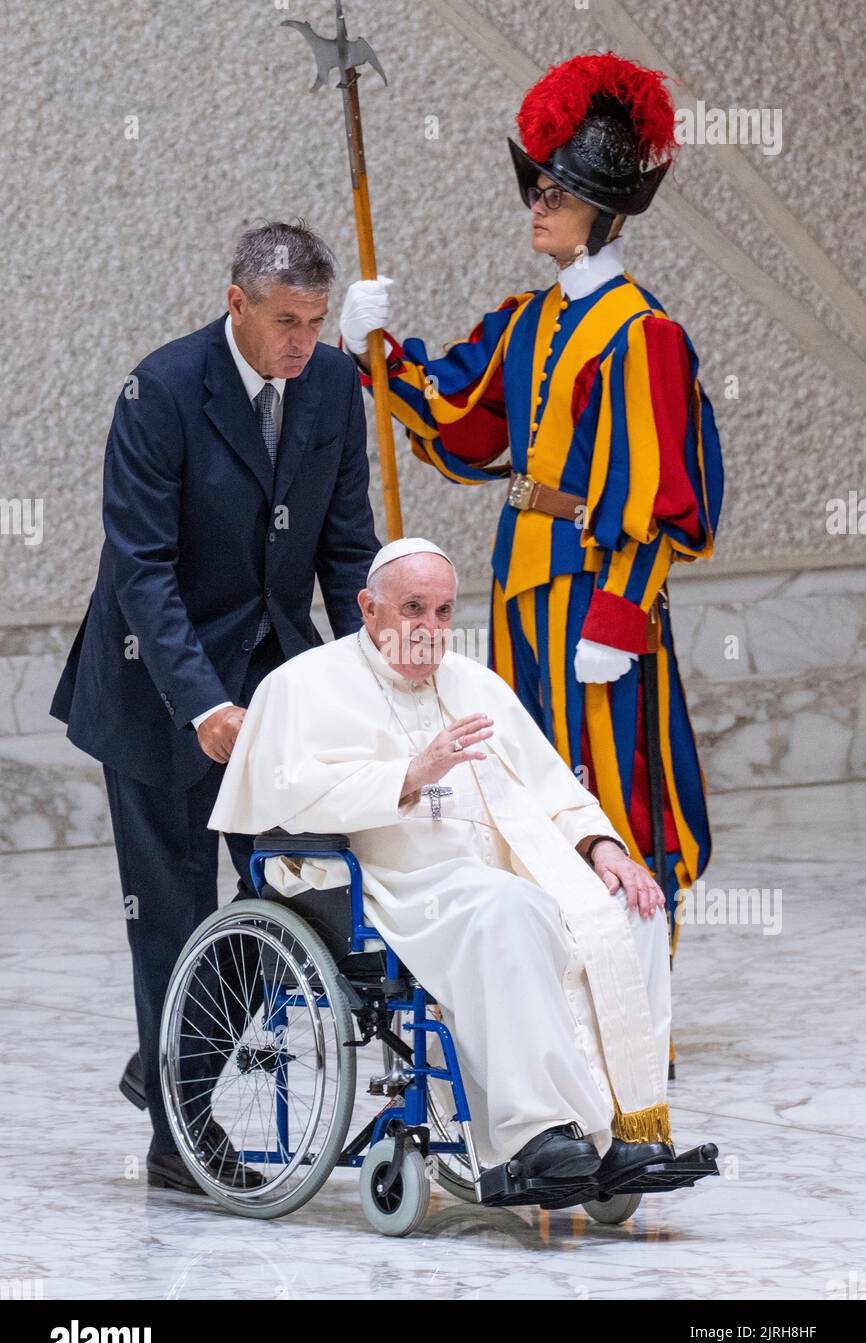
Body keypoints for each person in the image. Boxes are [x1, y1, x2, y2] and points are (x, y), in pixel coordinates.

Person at [337, 52, 724, 960]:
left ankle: (636, 1010)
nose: (538, 204)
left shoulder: (643, 335)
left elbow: (661, 497)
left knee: (614, 782)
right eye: (539, 186)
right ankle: (558, 979)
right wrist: (373, 351)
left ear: (605, 210)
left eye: (558, 191)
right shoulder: (528, 319)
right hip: (524, 589)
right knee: (533, 778)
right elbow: (463, 425)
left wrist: (621, 617)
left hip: (595, 594)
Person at [49, 219, 380, 1191]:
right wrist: (201, 705)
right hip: (154, 687)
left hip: (274, 682)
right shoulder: (159, 393)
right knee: (172, 908)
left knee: (310, 887)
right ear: (236, 303)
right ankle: (176, 1139)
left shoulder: (332, 386)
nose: (301, 341)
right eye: (285, 320)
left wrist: (380, 666)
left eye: (316, 321)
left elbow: (346, 548)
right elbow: (143, 574)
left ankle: (169, 1062)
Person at [207, 537, 689, 1184]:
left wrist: (602, 849)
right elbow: (289, 800)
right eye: (412, 609)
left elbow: (552, 787)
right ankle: (537, 1133)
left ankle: (626, 1133)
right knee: (508, 911)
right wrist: (410, 773)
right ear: (369, 610)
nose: (430, 630)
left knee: (634, 907)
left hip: (507, 875)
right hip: (396, 884)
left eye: (442, 612)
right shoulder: (304, 685)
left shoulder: (476, 683)